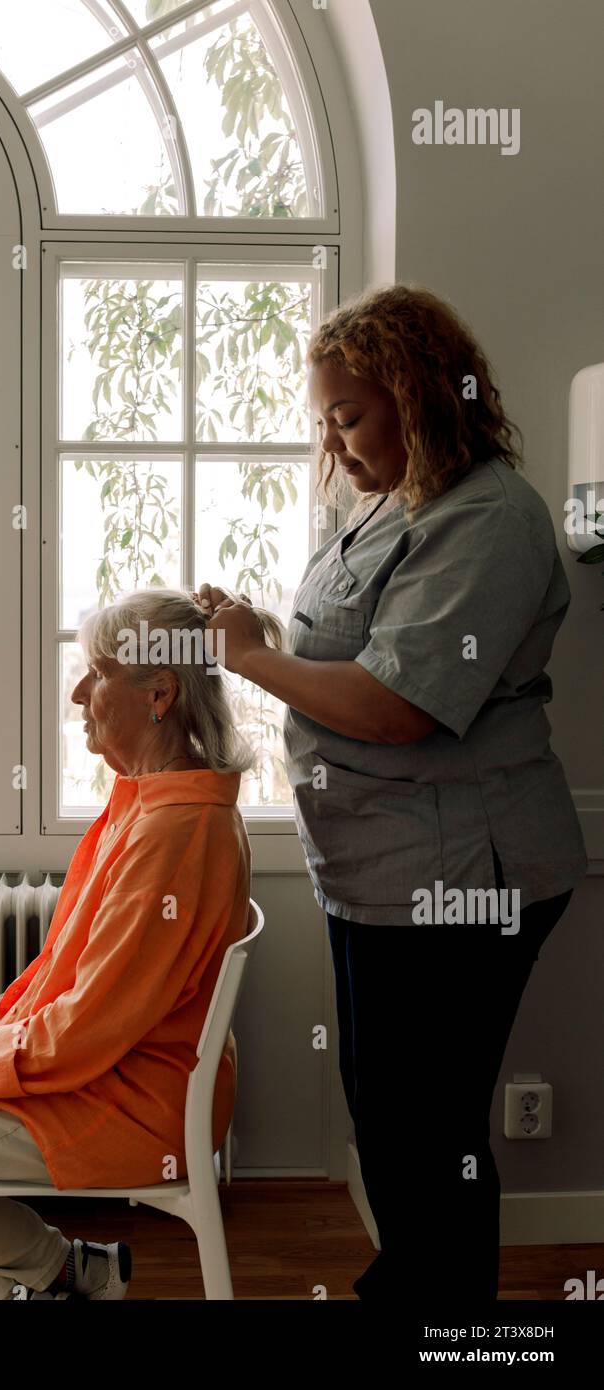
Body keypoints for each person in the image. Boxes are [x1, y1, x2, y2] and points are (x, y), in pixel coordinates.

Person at [196, 283, 587, 1302]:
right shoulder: (382, 502)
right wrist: (264, 634)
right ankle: (417, 1285)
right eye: (322, 419)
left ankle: (444, 1314)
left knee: (430, 1124)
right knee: (384, 1106)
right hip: (376, 867)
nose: (333, 443)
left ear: (418, 394)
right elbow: (351, 656)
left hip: (462, 870)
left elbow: (395, 706)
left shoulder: (492, 518)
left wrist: (247, 658)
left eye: (349, 415)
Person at [0, 587, 281, 1301]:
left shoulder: (174, 830)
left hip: (129, 1101)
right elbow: (63, 969)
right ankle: (62, 1271)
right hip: (106, 1069)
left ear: (159, 693)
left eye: (96, 673)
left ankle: (40, 1275)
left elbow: (90, 1023)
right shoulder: (148, 801)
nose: (77, 694)